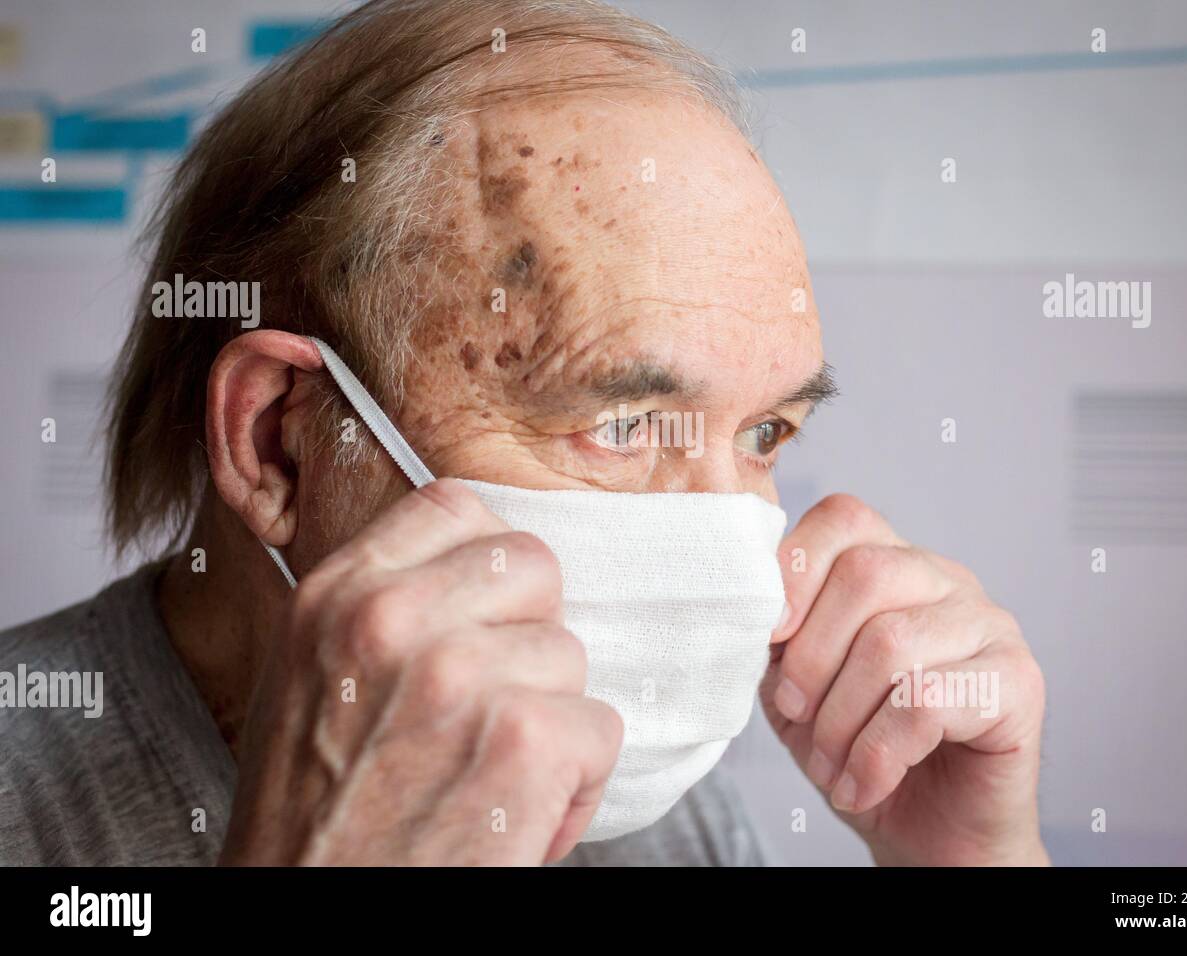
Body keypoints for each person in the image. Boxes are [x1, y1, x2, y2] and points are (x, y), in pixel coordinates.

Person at [0, 0, 1047, 866]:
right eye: (624, 421)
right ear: (281, 442)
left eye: (766, 432)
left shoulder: (655, 826)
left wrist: (967, 861)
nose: (730, 554)